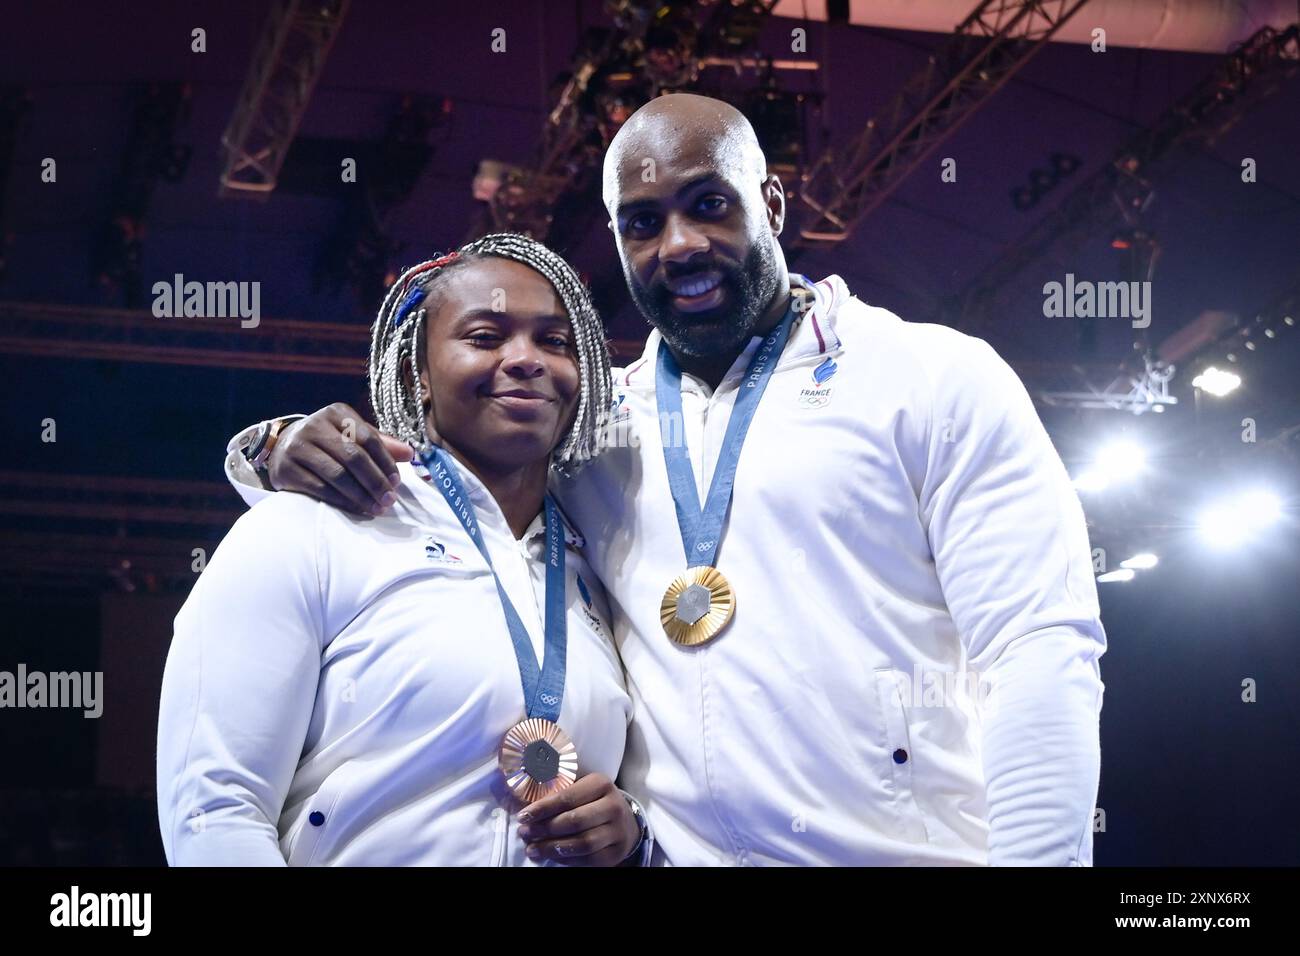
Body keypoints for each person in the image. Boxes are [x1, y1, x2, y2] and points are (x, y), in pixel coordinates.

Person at [224, 94, 1107, 866]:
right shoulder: (595, 426)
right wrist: (270, 445)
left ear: (773, 203)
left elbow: (1037, 649)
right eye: (641, 222)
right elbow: (449, 493)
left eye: (709, 205)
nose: (679, 244)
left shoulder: (931, 376)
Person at [158, 233, 651, 866]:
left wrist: (631, 834)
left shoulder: (602, 566)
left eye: (554, 342)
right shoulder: (308, 528)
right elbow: (214, 805)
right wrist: (269, 443)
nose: (526, 359)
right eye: (485, 336)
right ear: (419, 375)